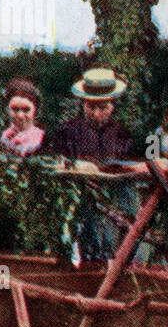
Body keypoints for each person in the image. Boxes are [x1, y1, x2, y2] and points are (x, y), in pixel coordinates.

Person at [47, 67, 136, 262]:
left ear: (113, 105)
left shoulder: (123, 135)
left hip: (114, 205)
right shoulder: (67, 132)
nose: (96, 114)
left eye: (103, 107)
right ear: (83, 103)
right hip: (80, 205)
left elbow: (135, 166)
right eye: (90, 106)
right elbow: (55, 163)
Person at [0, 77, 45, 157]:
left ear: (36, 110)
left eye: (26, 110)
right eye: (15, 109)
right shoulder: (3, 136)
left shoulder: (42, 139)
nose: (20, 116)